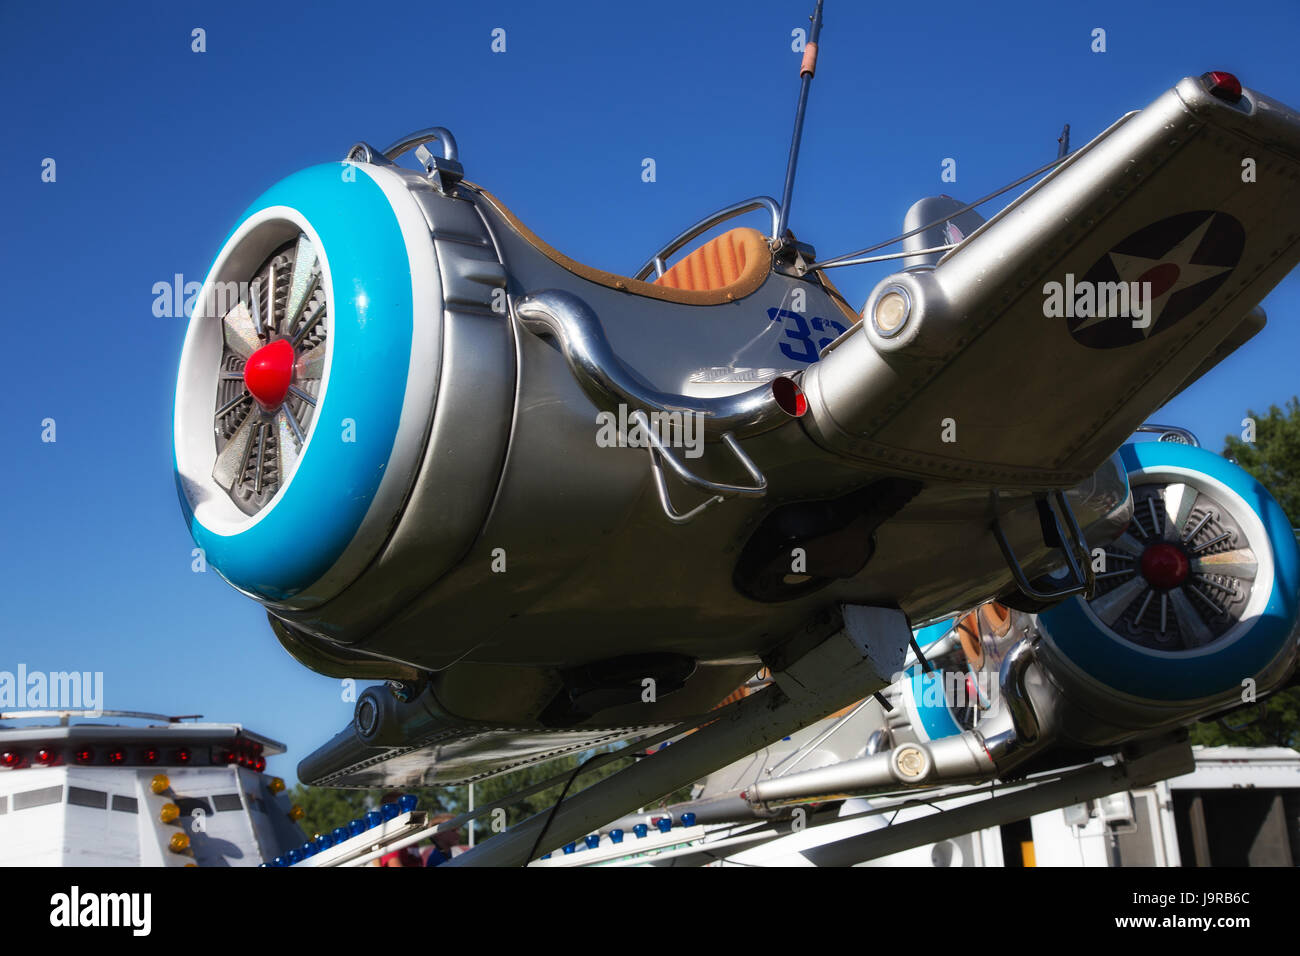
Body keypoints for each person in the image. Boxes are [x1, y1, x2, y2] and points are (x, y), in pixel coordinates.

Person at [377, 791, 423, 867]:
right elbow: (394, 864)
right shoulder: (392, 839)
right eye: (404, 806)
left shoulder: (410, 838)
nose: (410, 810)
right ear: (390, 812)